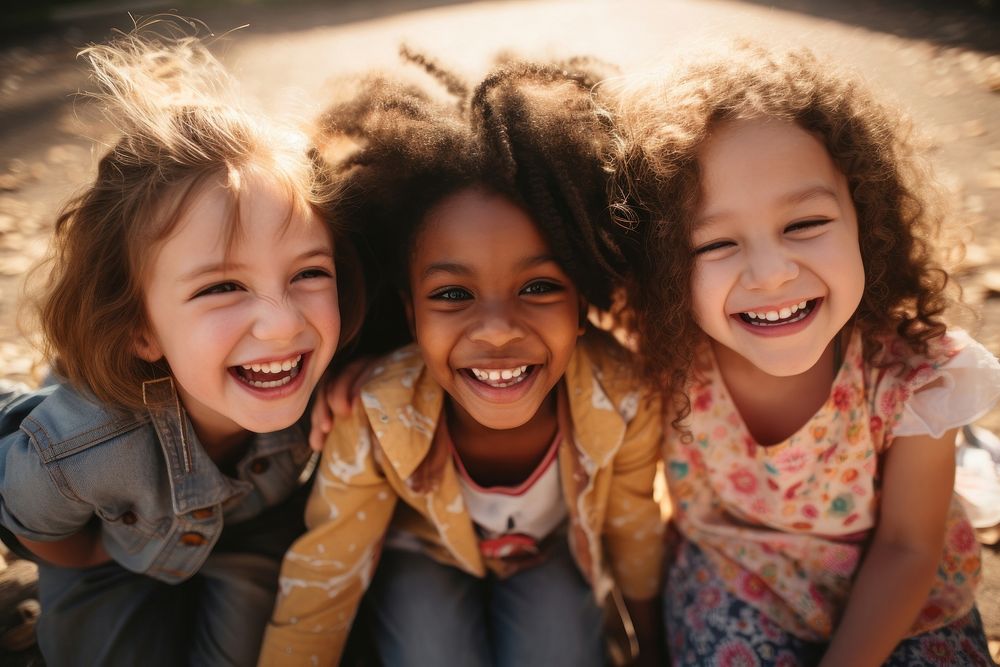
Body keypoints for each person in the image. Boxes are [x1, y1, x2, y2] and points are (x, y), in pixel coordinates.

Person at [259, 53, 665, 667]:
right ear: (410, 312)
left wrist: (654, 647)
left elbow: (634, 529)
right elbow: (325, 574)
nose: (497, 330)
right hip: (423, 554)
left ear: (581, 302)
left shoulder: (623, 396)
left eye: (539, 287)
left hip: (549, 554)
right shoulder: (375, 413)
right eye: (452, 294)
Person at [609, 43, 1000, 666]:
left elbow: (907, 548)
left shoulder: (914, 381)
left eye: (804, 224)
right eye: (713, 244)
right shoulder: (662, 360)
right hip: (734, 580)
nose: (770, 273)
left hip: (896, 599)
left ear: (865, 217)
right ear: (663, 266)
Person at [0, 24, 362, 666]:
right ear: (140, 328)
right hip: (110, 550)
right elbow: (32, 523)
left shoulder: (335, 380)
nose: (283, 324)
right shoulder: (78, 450)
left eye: (309, 273)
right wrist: (93, 556)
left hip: (250, 531)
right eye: (222, 286)